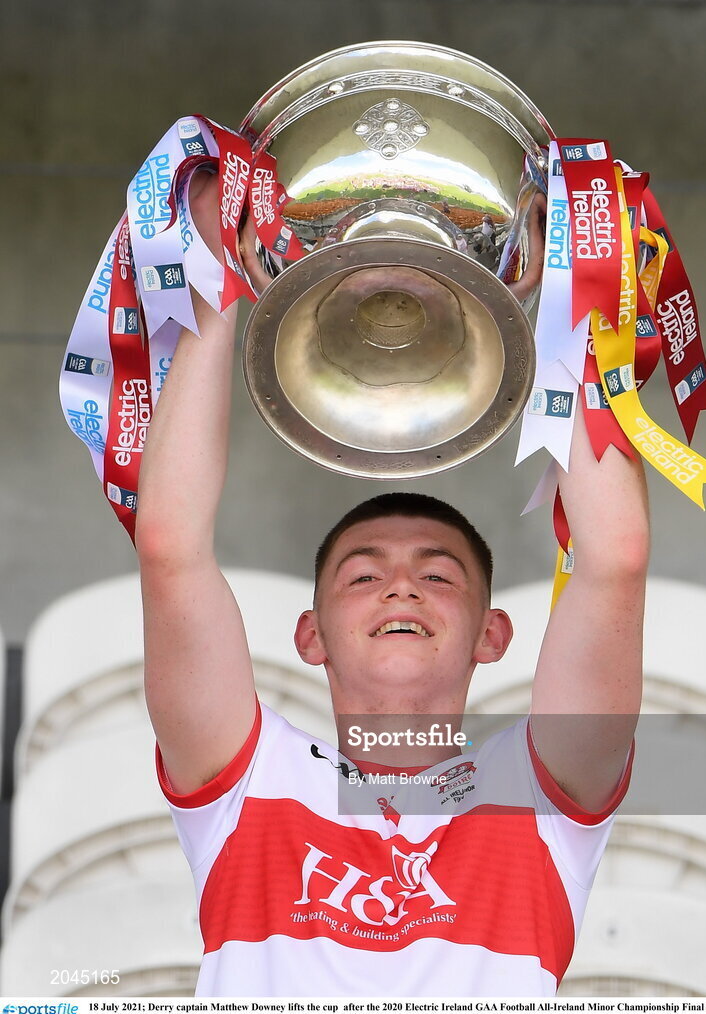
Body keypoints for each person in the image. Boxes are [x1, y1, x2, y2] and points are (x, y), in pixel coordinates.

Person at [135, 171, 650, 997]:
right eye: (363, 574)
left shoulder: (540, 795)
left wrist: (571, 283)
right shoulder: (250, 777)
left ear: (491, 634)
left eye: (438, 574)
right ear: (310, 635)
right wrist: (214, 266)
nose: (400, 588)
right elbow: (169, 548)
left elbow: (613, 560)